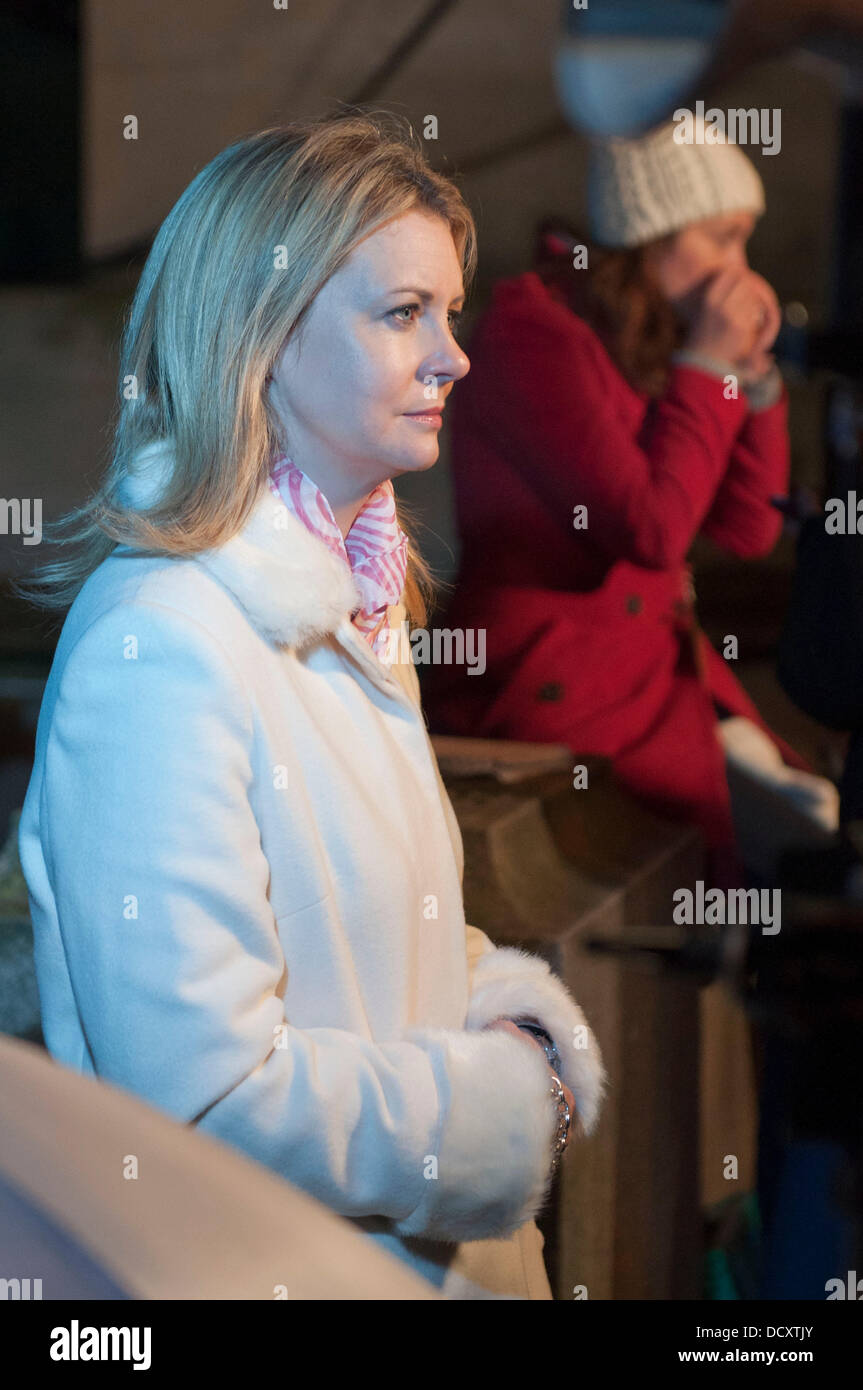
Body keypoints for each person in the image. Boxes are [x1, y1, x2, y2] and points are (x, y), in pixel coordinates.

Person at [13, 115, 606, 1301]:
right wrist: (486, 1112)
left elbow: (377, 951)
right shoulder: (165, 644)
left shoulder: (351, 602)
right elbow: (201, 1101)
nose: (455, 356)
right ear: (265, 337)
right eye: (403, 314)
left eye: (449, 311)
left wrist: (516, 1022)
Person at [422, 116, 838, 887]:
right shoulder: (534, 334)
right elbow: (651, 530)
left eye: (746, 241)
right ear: (652, 235)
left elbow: (748, 529)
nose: (738, 271)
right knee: (711, 870)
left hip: (652, 675)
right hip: (552, 682)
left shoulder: (643, 329)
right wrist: (706, 360)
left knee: (810, 819)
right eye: (721, 239)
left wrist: (752, 381)